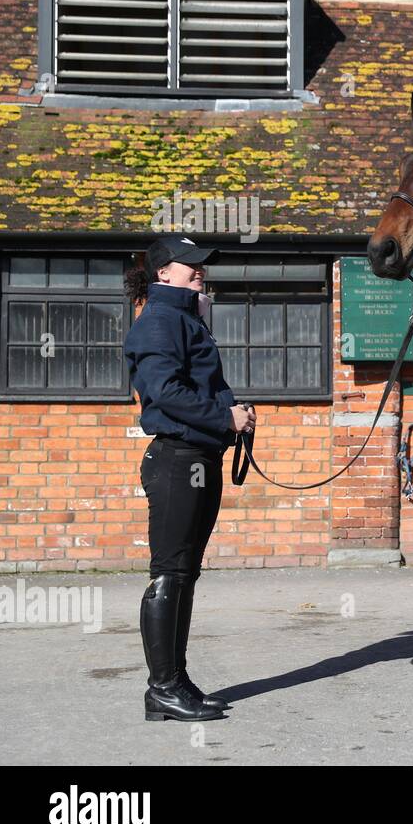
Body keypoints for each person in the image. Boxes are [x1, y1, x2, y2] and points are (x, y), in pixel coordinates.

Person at [122, 236, 256, 722]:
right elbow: (167, 394)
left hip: (198, 458)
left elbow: (194, 386)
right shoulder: (160, 321)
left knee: (185, 574)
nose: (200, 271)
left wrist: (232, 411)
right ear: (164, 274)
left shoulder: (183, 318)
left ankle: (174, 682)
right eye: (191, 265)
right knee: (170, 571)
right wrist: (227, 418)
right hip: (178, 461)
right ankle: (162, 687)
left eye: (200, 265)